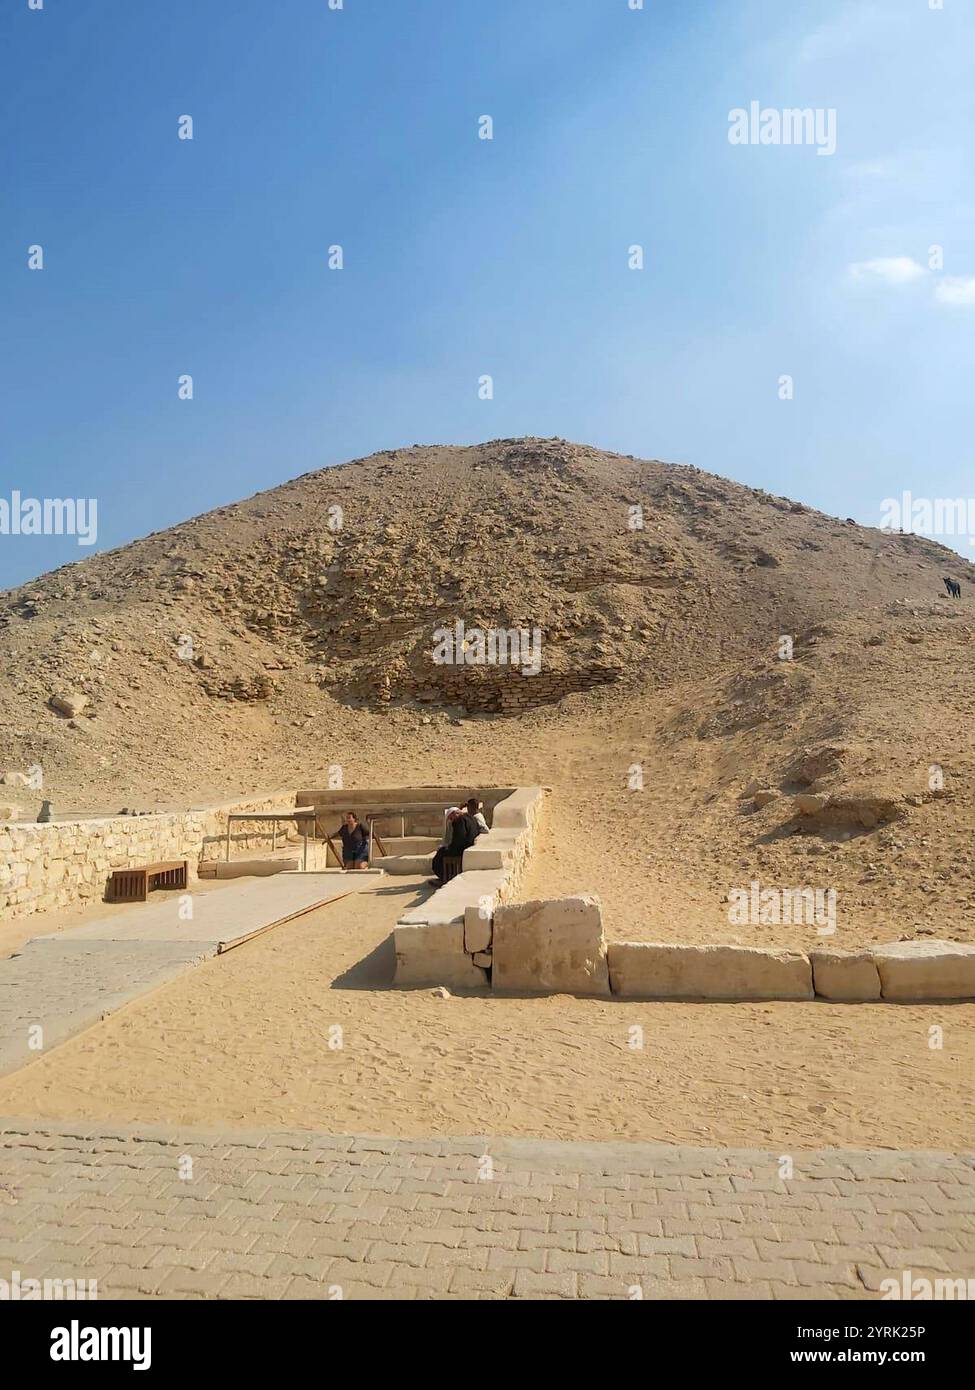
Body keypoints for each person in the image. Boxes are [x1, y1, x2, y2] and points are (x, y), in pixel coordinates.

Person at [429, 807, 479, 885]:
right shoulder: (471, 817)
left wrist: (448, 847)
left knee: (440, 855)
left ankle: (444, 878)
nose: (452, 821)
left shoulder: (459, 820)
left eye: (451, 818)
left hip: (462, 849)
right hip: (469, 847)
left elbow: (459, 838)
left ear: (455, 814)